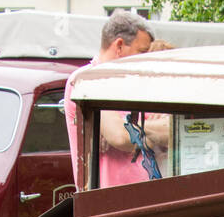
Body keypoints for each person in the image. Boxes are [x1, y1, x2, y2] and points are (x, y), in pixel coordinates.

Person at [64, 10, 168, 188]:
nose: (146, 60)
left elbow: (171, 131)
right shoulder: (87, 80)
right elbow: (119, 137)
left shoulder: (137, 84)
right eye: (142, 52)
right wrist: (152, 135)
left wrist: (129, 131)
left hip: (150, 198)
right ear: (119, 45)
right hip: (108, 204)